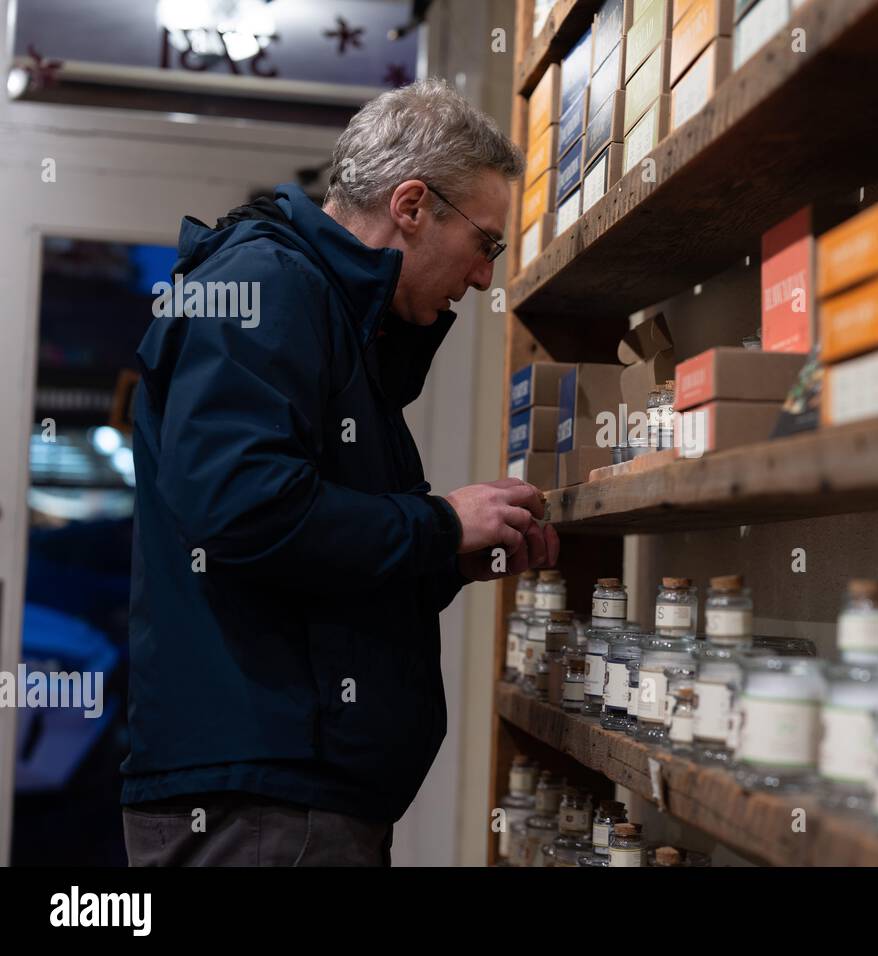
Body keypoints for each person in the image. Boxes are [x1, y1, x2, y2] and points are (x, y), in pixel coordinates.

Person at [120, 78, 557, 866]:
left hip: (289, 796)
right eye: (486, 243)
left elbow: (314, 558)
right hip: (262, 804)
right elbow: (243, 509)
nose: (486, 278)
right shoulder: (270, 285)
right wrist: (441, 522)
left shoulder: (334, 313)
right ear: (412, 205)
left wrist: (447, 555)